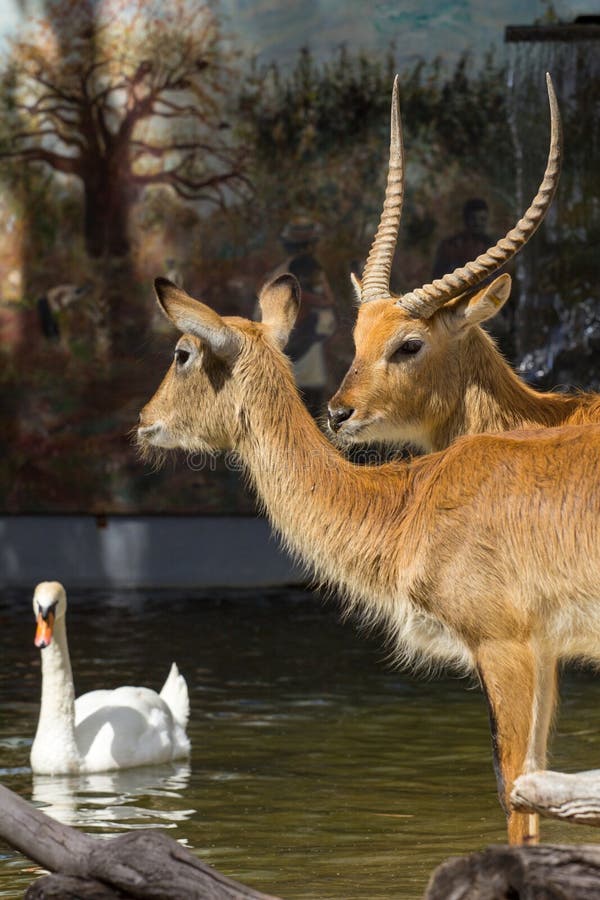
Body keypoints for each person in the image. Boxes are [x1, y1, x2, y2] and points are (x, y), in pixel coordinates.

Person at [266, 218, 337, 417]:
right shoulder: (307, 267)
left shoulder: (280, 270)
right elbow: (326, 304)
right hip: (301, 343)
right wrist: (321, 304)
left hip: (289, 346)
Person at [432, 198, 492, 280]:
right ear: (465, 219)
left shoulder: (491, 247)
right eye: (473, 219)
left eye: (482, 219)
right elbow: (439, 276)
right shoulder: (450, 246)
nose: (477, 223)